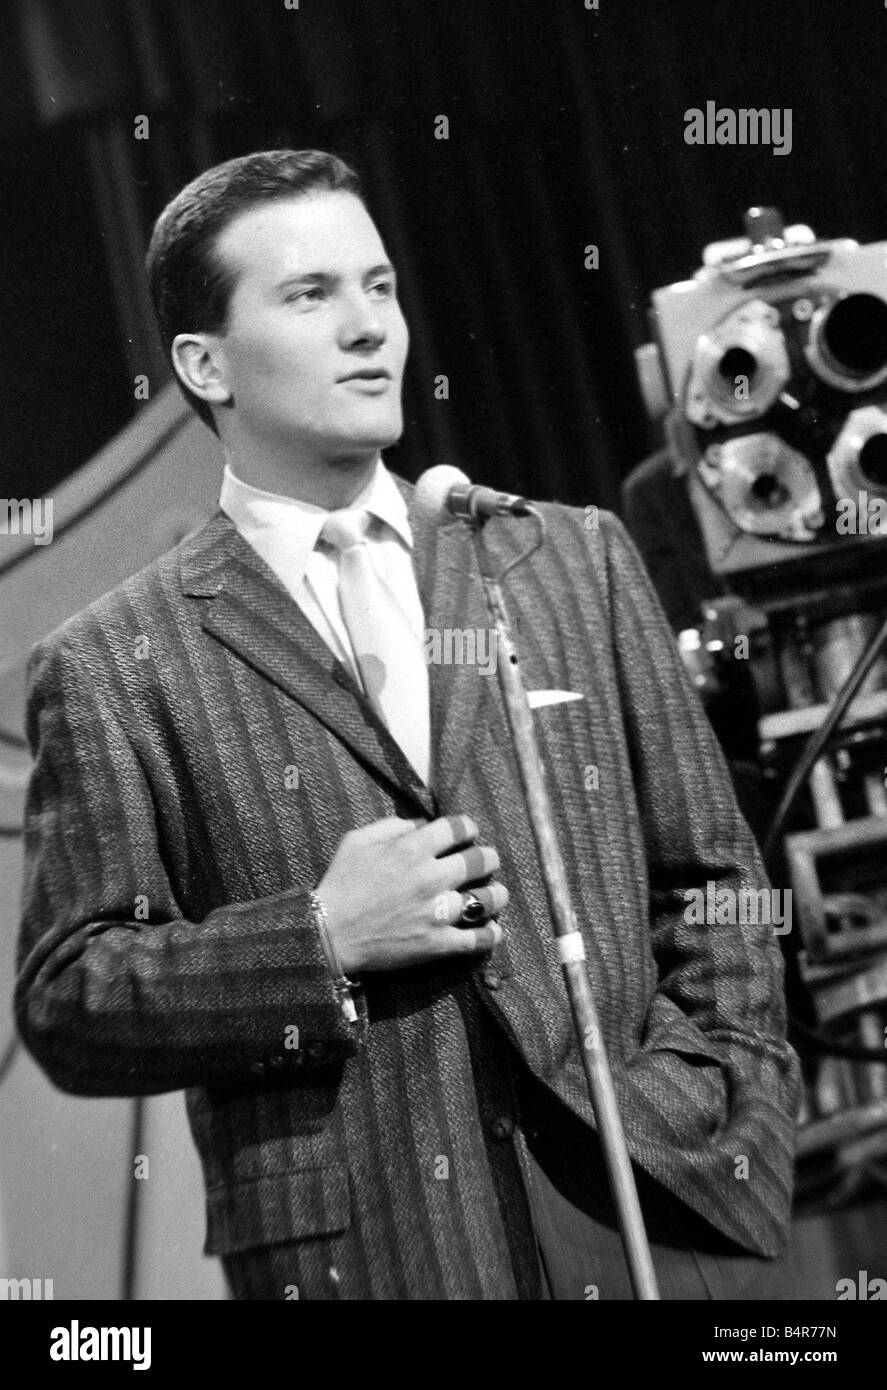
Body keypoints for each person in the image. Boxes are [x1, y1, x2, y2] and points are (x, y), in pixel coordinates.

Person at [15, 149, 800, 1300]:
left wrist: (722, 1094)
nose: (369, 326)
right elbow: (72, 996)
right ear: (204, 363)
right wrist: (317, 940)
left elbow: (711, 873)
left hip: (644, 1203)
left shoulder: (565, 556)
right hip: (368, 1256)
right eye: (310, 295)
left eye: (378, 285)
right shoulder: (112, 663)